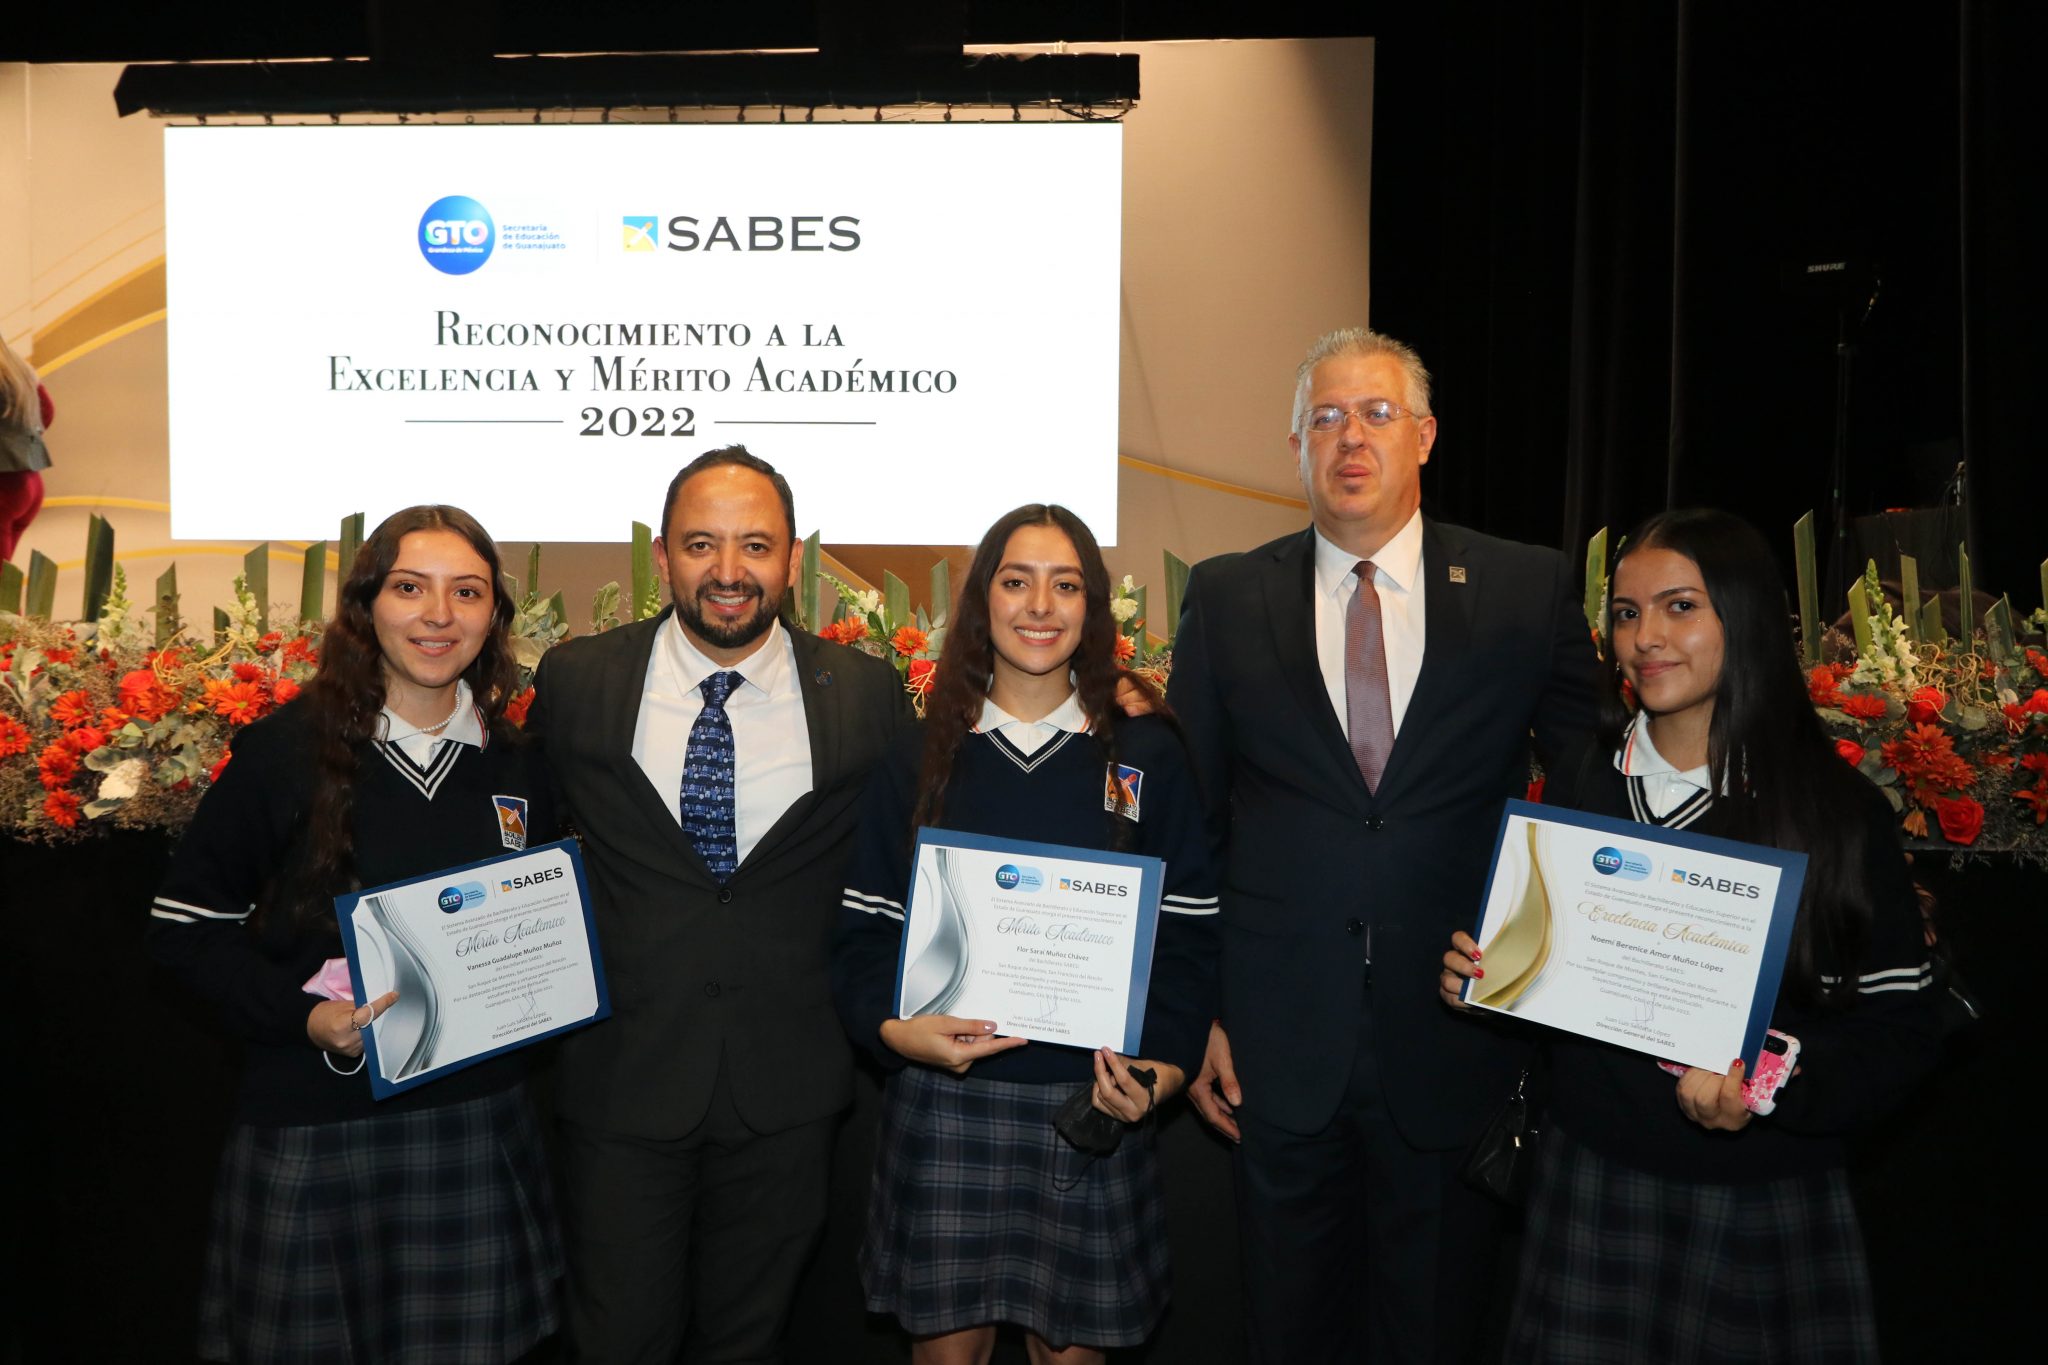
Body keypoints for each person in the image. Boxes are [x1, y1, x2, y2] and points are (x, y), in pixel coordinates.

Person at [1166, 327, 1601, 1362]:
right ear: (1295, 447)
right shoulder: (1226, 597)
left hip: (1458, 1038)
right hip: (1276, 1046)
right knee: (1287, 1333)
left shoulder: (1523, 588)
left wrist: (1541, 949)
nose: (1349, 438)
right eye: (1324, 418)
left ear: (1425, 436)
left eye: (1374, 413)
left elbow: (1593, 790)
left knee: (1434, 1333)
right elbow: (1193, 819)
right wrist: (1197, 1012)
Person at [1439, 508, 1940, 1363]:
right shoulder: (1582, 779)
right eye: (1626, 613)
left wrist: (1771, 1080)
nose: (1645, 638)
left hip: (1760, 1201)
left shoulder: (1836, 810)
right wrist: (1489, 979)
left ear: (1743, 616)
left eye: (1680, 607)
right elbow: (1562, 984)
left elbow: (1901, 1030)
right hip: (1590, 1183)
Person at [148, 505, 564, 1363]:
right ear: (367, 605)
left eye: (467, 592)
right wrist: (306, 1018)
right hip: (315, 1119)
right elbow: (185, 930)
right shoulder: (283, 753)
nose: (438, 615)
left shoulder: (521, 763)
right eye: (410, 588)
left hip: (478, 1124)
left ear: (494, 615)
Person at [526, 447, 914, 1363]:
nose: (729, 571)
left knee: (748, 1343)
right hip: (622, 1079)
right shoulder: (578, 681)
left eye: (756, 545)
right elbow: (522, 842)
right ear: (662, 557)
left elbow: (912, 853)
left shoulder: (864, 694)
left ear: (794, 559)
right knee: (617, 1343)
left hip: (788, 1088)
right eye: (702, 544)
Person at [832, 503, 1219, 1364]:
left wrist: (1161, 1072)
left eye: (1065, 584)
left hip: (1093, 1108)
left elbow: (1190, 943)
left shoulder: (1146, 756)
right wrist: (894, 1030)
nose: (1040, 605)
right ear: (983, 600)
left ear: (1091, 609)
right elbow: (863, 934)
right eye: (1016, 581)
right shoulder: (920, 754)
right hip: (946, 1104)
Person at [1, 336, 53, 563]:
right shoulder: (17, 367)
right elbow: (47, 413)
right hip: (29, 484)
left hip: (4, 491)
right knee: (5, 577)